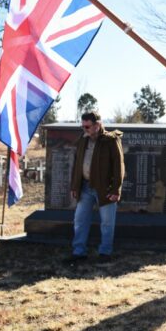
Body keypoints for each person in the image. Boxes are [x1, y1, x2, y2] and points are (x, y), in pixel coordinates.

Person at [66, 112, 125, 264]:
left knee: (107, 222)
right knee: (79, 220)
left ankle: (105, 253)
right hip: (85, 187)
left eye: (87, 126)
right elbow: (77, 164)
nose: (84, 129)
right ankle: (79, 252)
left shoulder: (111, 141)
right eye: (82, 126)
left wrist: (116, 190)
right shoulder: (82, 140)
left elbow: (119, 166)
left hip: (105, 189)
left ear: (97, 125)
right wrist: (75, 186)